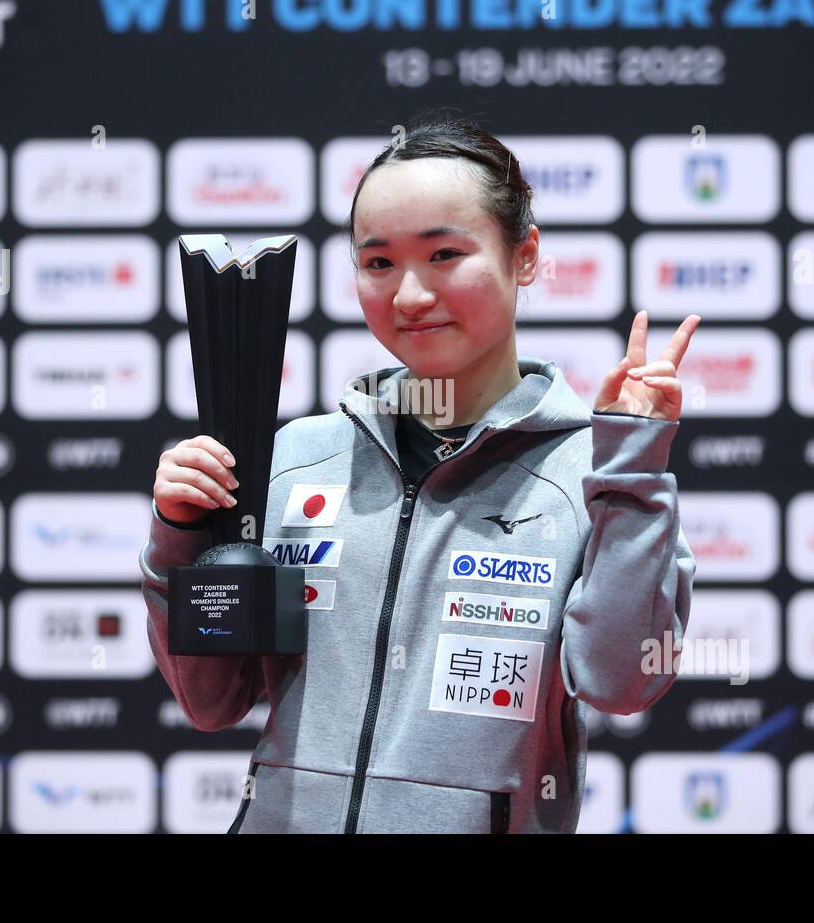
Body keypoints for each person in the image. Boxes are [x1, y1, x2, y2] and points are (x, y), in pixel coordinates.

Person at [140, 111, 700, 833]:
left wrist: (631, 473)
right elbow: (212, 702)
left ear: (525, 255)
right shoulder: (295, 457)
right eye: (379, 263)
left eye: (443, 255)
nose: (408, 295)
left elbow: (623, 682)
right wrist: (178, 539)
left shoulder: (591, 470)